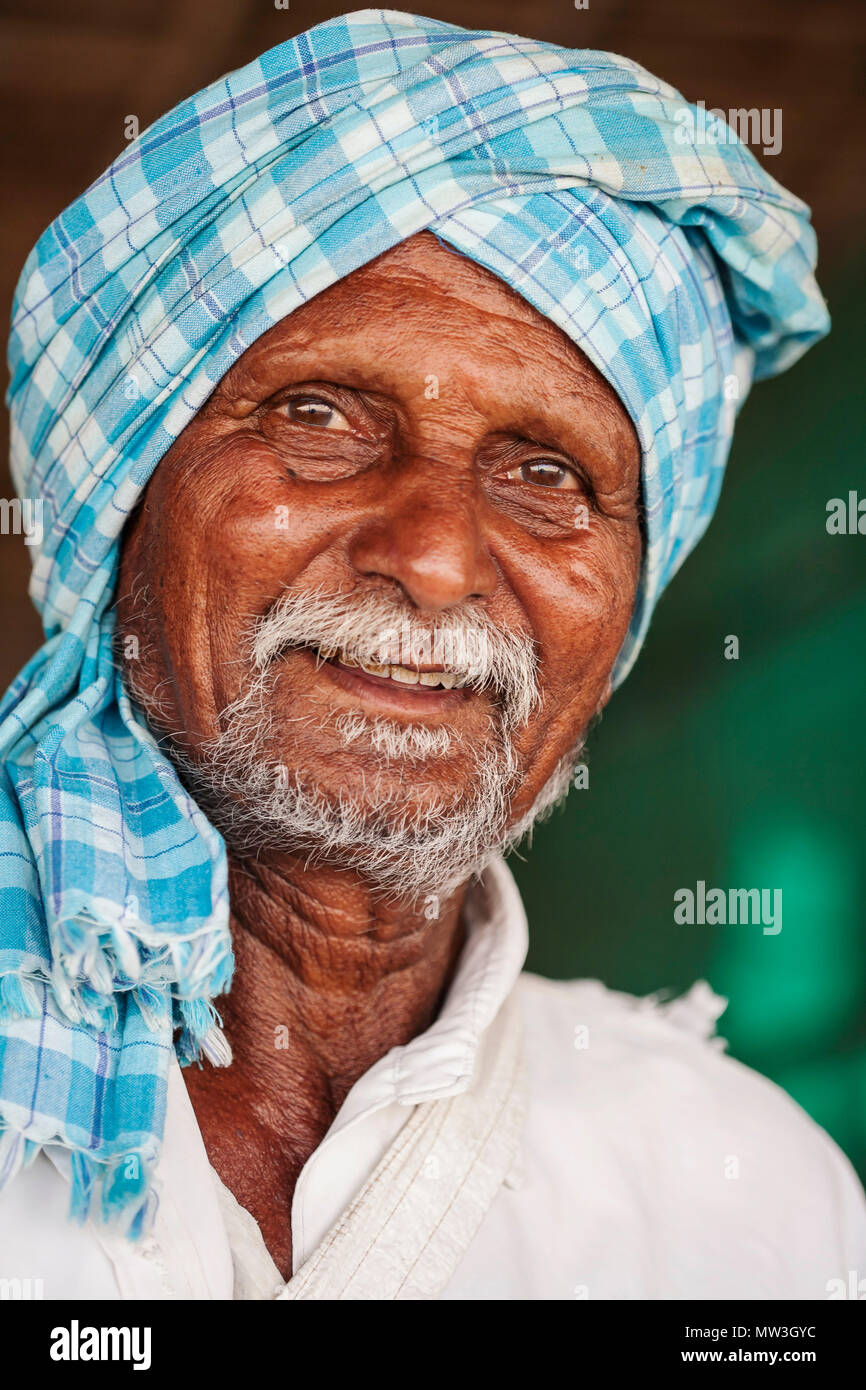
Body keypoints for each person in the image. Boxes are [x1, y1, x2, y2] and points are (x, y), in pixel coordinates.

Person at [1, 10, 863, 1300]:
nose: (439, 556)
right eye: (317, 415)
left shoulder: (742, 1196)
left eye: (546, 473)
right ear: (123, 503)